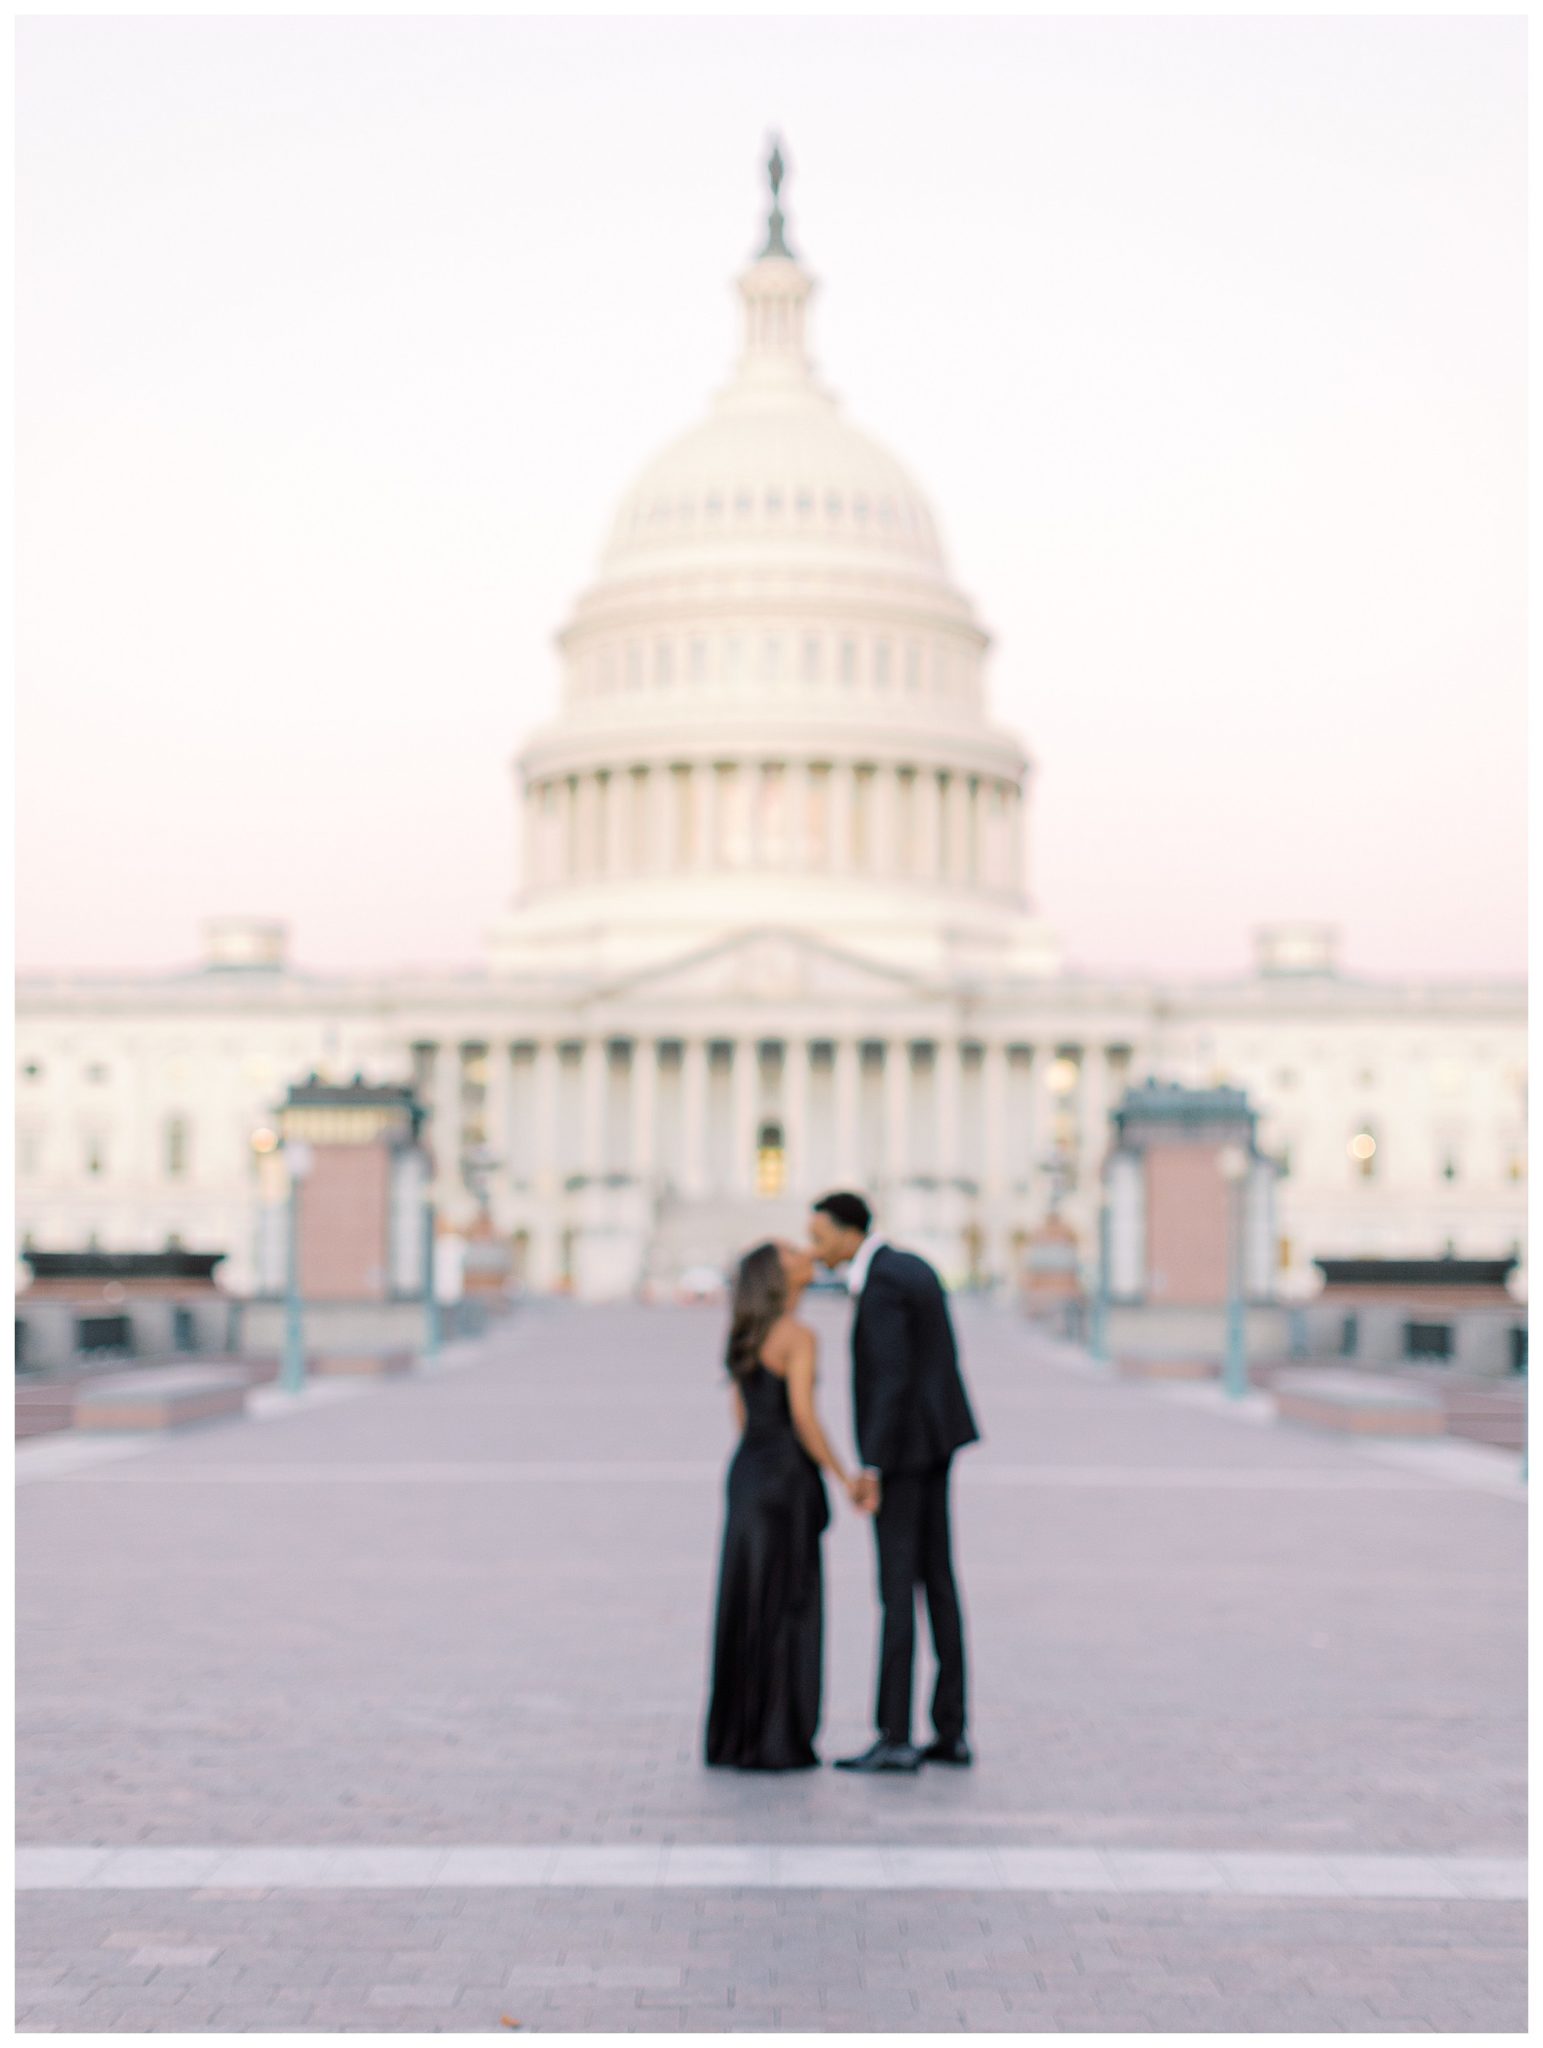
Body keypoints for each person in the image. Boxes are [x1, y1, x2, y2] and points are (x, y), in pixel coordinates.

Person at [808, 1192, 980, 1773]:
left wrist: (873, 1465)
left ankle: (896, 1735)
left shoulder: (881, 1283)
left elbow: (891, 1378)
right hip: (938, 1443)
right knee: (940, 1582)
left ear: (848, 1232)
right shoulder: (913, 1266)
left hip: (904, 1454)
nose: (816, 1250)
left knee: (897, 1588)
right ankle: (951, 1729)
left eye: (820, 1237)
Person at [704, 1239, 872, 1770]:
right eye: (794, 1254)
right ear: (780, 1276)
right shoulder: (799, 1336)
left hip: (747, 1475)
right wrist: (845, 1476)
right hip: (785, 1478)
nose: (806, 1255)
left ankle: (738, 1734)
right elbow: (804, 1416)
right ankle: (777, 1735)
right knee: (787, 1602)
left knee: (748, 1597)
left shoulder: (746, 1332)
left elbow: (741, 1414)